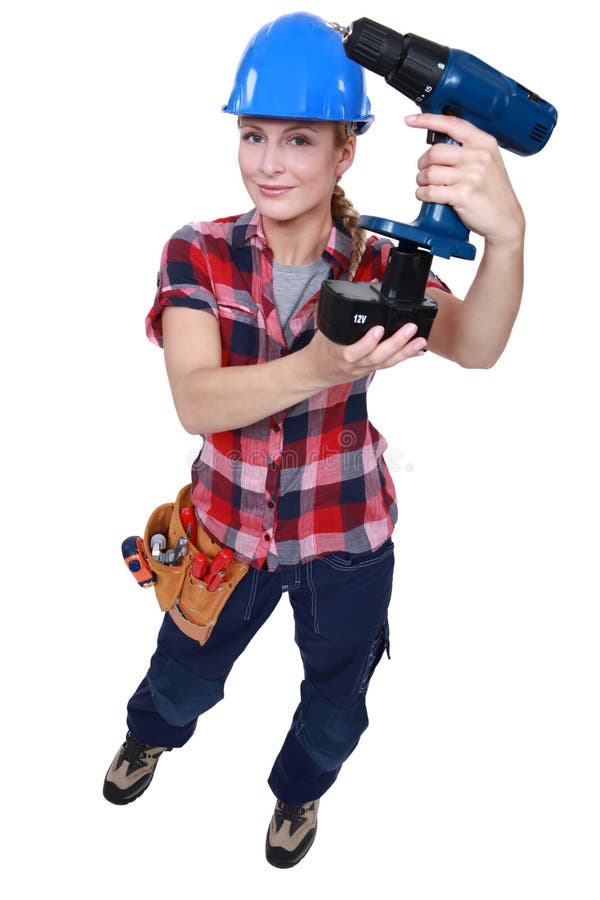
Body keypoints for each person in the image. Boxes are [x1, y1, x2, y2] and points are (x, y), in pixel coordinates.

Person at [103, 12, 525, 868]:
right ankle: (151, 736)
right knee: (181, 671)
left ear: (345, 153)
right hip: (225, 530)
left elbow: (476, 345)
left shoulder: (379, 262)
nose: (268, 161)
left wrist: (508, 239)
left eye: (299, 139)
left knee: (338, 697)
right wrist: (323, 364)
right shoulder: (200, 253)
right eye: (253, 134)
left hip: (347, 537)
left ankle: (301, 792)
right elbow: (196, 399)